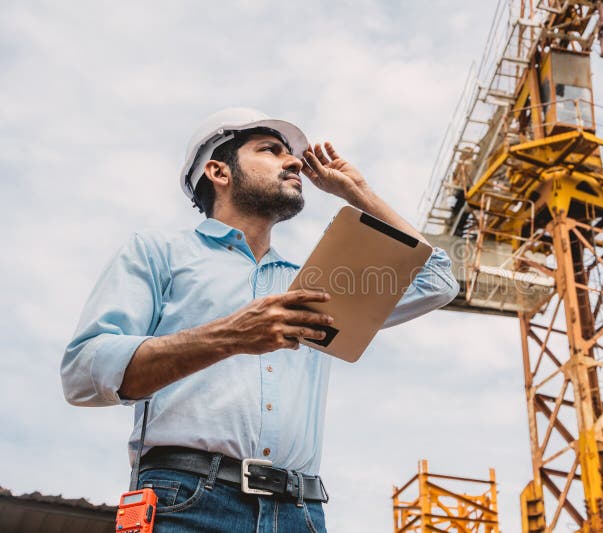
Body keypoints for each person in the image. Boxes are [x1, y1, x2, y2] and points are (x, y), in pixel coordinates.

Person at [61, 107, 459, 532]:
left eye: (291, 154)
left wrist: (358, 192)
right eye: (270, 150)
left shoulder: (308, 283)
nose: (293, 162)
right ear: (218, 171)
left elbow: (438, 279)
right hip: (189, 501)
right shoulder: (160, 253)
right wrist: (230, 336)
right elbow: (84, 372)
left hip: (300, 511)